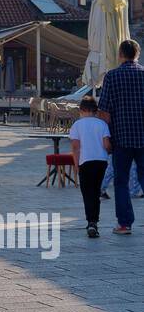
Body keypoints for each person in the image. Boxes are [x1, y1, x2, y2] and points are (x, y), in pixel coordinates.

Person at [97, 38, 144, 235]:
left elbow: (104, 112)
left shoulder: (112, 76)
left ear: (120, 54)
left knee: (121, 181)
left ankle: (125, 224)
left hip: (121, 138)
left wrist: (107, 138)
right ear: (137, 54)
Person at [69, 95, 111, 239]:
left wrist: (76, 165)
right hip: (100, 162)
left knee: (87, 193)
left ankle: (91, 222)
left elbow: (75, 147)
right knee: (96, 191)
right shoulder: (102, 124)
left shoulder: (77, 125)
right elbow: (106, 145)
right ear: (95, 110)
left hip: (85, 161)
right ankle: (94, 221)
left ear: (81, 110)